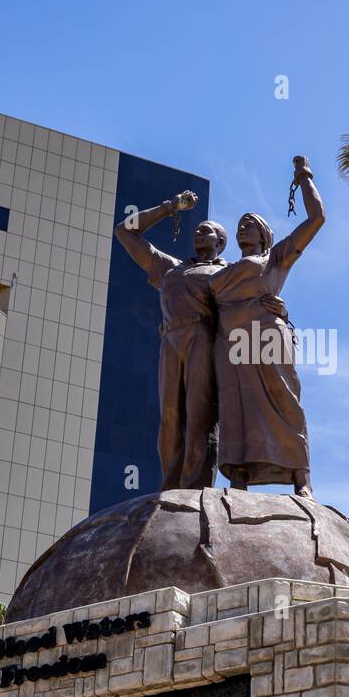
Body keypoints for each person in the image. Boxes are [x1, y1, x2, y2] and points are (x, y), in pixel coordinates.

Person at [213, 157, 323, 497]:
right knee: (236, 406)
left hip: (267, 337)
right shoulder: (221, 271)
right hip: (230, 344)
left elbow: (317, 218)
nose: (242, 227)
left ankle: (301, 478)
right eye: (240, 224)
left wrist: (304, 176)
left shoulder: (274, 259)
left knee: (284, 398)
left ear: (264, 235)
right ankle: (239, 476)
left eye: (250, 224)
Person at [112, 191, 225, 490]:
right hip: (171, 339)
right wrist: (169, 207)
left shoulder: (227, 272)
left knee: (200, 414)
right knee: (170, 417)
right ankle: (171, 486)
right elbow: (125, 231)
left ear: (220, 242)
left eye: (206, 231)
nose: (198, 233)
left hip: (204, 337)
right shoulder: (170, 267)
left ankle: (196, 486)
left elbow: (255, 294)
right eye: (196, 230)